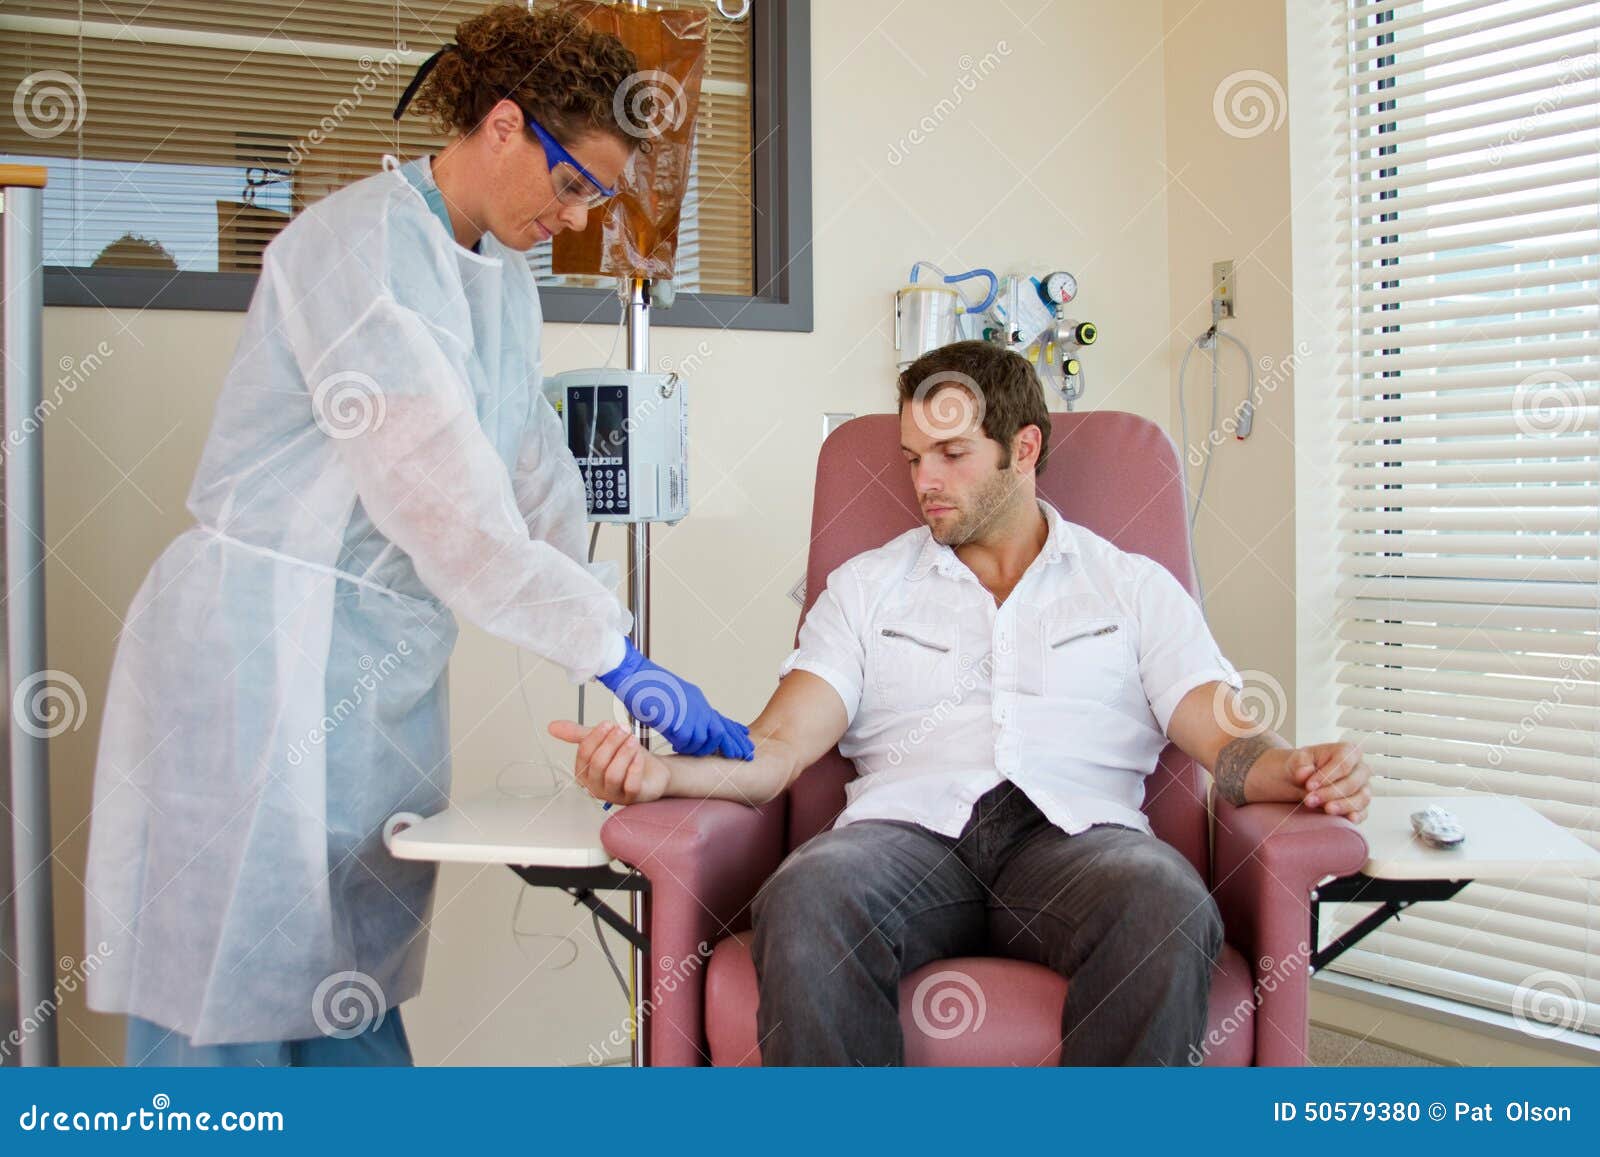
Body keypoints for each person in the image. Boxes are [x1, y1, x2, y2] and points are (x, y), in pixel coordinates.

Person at [84, 4, 748, 1068]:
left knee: (342, 965)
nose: (576, 218)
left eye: (600, 197)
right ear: (499, 123)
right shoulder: (361, 253)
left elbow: (534, 483)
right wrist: (615, 657)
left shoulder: (497, 282)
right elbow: (447, 503)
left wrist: (617, 654)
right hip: (260, 647)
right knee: (233, 975)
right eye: (572, 182)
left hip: (374, 657)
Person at [551, 340, 1372, 1066]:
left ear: (1023, 448)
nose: (925, 481)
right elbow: (776, 750)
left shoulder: (1128, 586)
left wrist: (1292, 767)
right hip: (903, 843)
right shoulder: (868, 588)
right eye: (913, 458)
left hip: (1079, 846)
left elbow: (1222, 740)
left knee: (1164, 906)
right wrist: (663, 777)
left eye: (950, 453)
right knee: (808, 893)